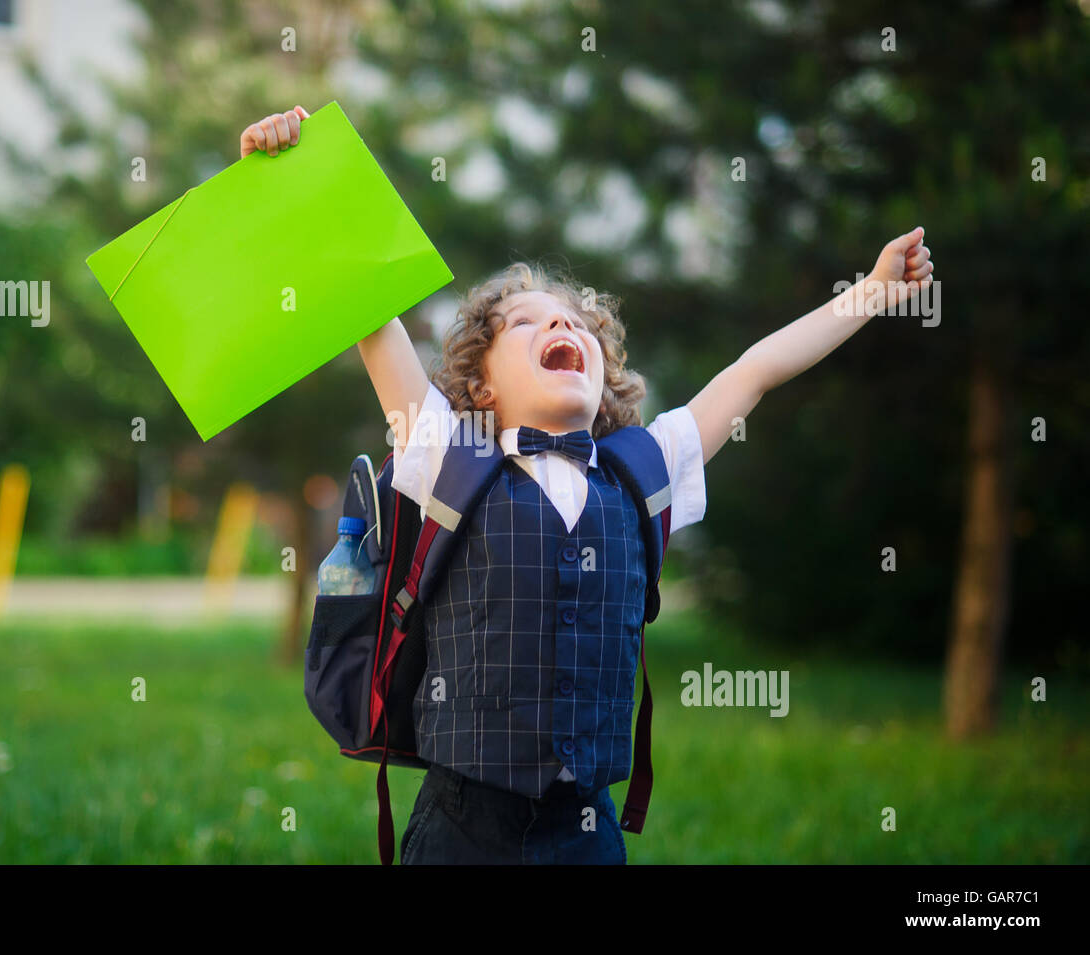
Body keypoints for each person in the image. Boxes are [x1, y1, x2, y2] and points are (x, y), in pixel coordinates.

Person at [242, 106, 933, 864]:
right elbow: (372, 316)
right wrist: (294, 171)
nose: (558, 327)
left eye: (574, 323)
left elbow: (754, 373)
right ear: (477, 384)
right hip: (462, 828)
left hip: (588, 833)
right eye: (526, 323)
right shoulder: (447, 452)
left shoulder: (645, 470)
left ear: (603, 374)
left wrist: (869, 292)